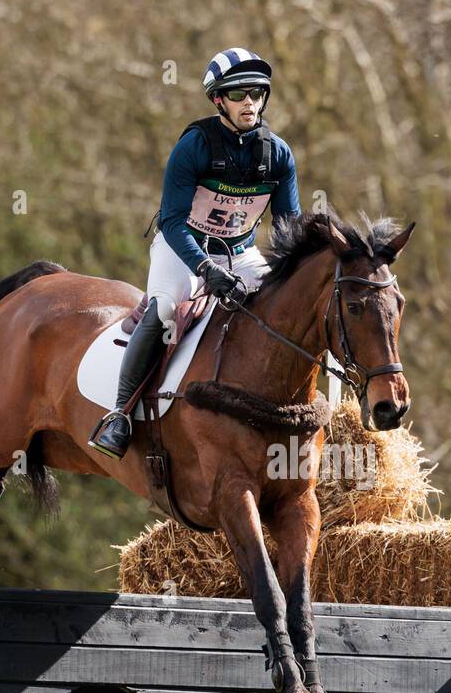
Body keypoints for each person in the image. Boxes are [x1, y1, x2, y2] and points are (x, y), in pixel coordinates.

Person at [88, 48, 302, 459]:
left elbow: (289, 229)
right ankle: (119, 414)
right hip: (183, 248)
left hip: (241, 253)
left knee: (293, 308)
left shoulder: (278, 154)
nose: (250, 103)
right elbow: (171, 221)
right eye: (238, 94)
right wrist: (204, 268)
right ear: (218, 99)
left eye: (257, 93)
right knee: (166, 308)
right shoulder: (194, 147)